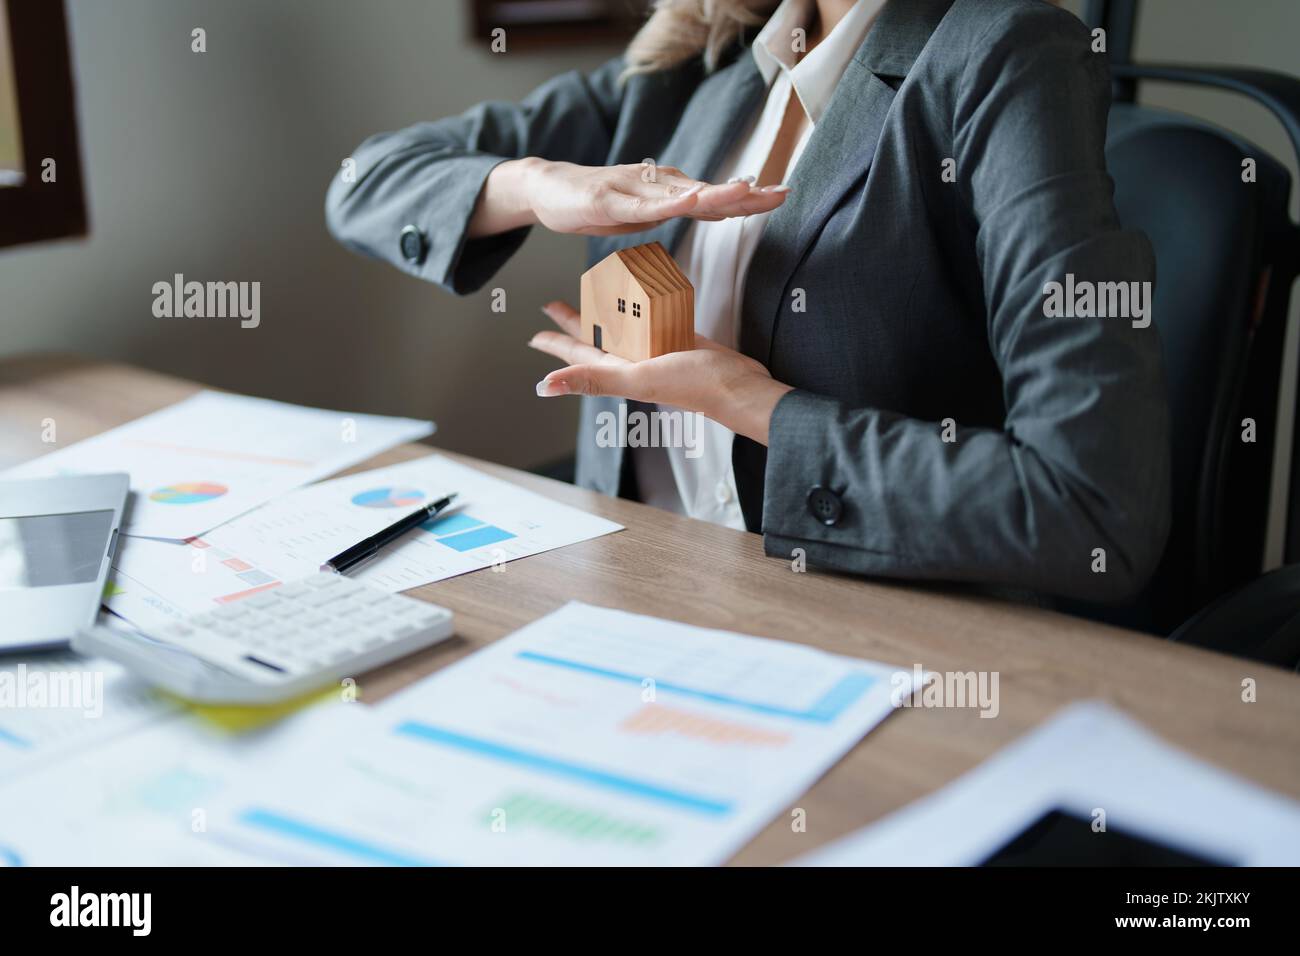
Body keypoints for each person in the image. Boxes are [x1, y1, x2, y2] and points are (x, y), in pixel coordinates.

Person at [325, 0, 1171, 604]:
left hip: (855, 627)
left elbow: (1092, 510)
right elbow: (362, 185)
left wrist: (748, 403)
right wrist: (539, 185)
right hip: (632, 594)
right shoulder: (700, 69)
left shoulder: (1008, 52)